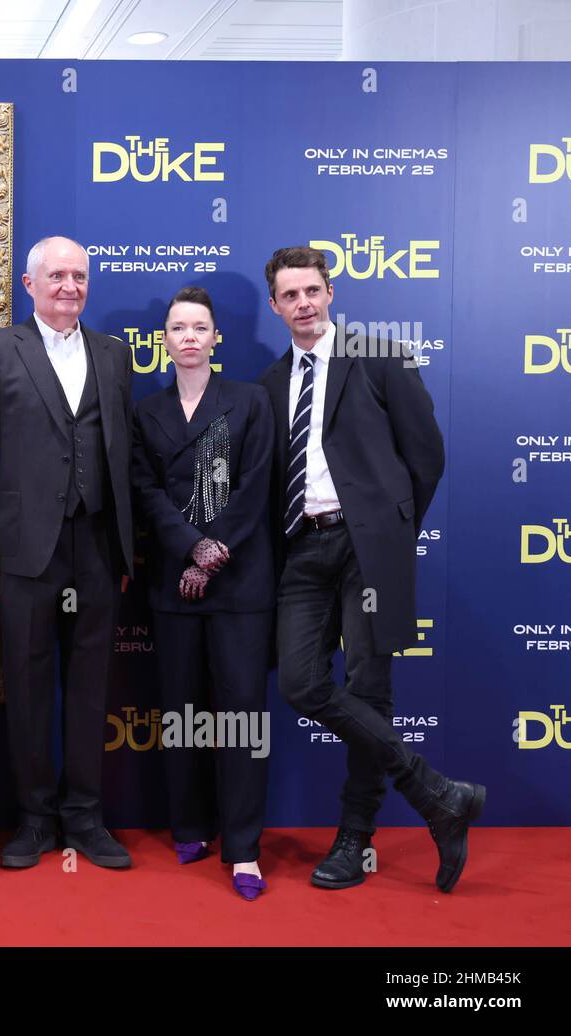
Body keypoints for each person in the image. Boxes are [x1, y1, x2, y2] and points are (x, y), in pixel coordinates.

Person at [258, 246, 483, 893]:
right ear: (275, 306)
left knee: (368, 689)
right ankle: (435, 792)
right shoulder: (272, 384)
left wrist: (388, 529)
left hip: (369, 550)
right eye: (290, 295)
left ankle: (354, 841)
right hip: (302, 551)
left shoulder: (380, 356)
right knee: (301, 682)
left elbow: (426, 455)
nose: (303, 303)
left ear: (329, 293)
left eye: (312, 291)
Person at [0, 235, 135, 869]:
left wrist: (125, 551)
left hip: (96, 546)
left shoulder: (115, 356)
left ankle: (85, 816)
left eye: (80, 276)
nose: (70, 285)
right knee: (29, 686)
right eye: (56, 275)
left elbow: (123, 455)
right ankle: (34, 819)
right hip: (24, 550)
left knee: (90, 688)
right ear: (29, 285)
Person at [130, 286, 274, 900]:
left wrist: (211, 557)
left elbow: (255, 487)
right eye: (177, 327)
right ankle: (189, 826)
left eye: (199, 327)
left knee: (241, 717)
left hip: (239, 584)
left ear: (216, 338)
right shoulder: (145, 411)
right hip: (173, 583)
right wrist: (189, 548)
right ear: (163, 339)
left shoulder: (249, 401)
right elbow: (146, 492)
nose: (188, 336)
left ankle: (243, 848)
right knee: (183, 713)